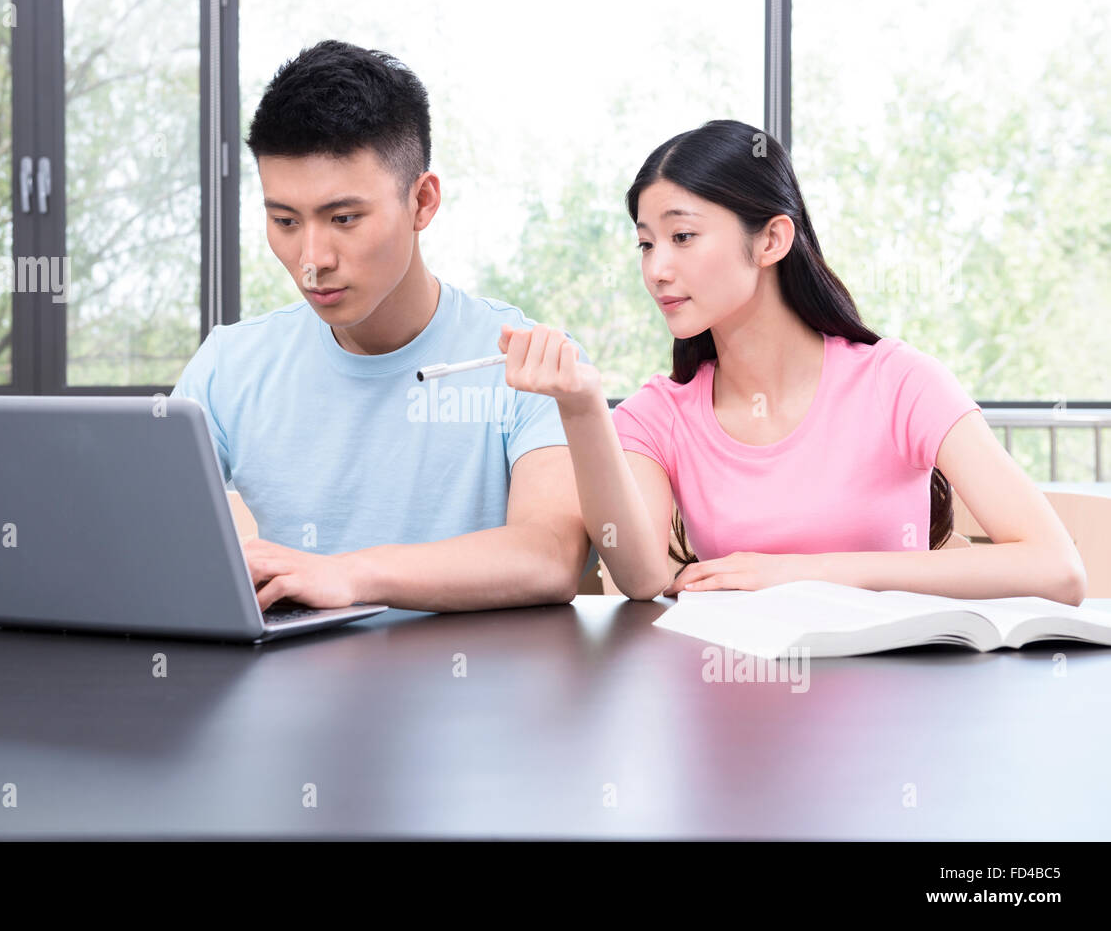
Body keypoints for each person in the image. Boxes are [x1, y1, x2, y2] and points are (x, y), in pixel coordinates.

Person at [498, 119, 1086, 605]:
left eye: (682, 237)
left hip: (897, 711)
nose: (656, 269)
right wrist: (580, 410)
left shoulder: (901, 383)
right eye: (646, 243)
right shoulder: (658, 415)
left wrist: (808, 572)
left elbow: (1057, 569)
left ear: (772, 240)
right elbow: (643, 577)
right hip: (739, 712)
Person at [171, 39, 594, 612]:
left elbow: (550, 556)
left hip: (470, 692)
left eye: (343, 218)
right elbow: (147, 537)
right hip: (289, 689)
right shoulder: (231, 365)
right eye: (284, 220)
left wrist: (350, 575)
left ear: (422, 202)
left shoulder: (527, 362)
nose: (312, 258)